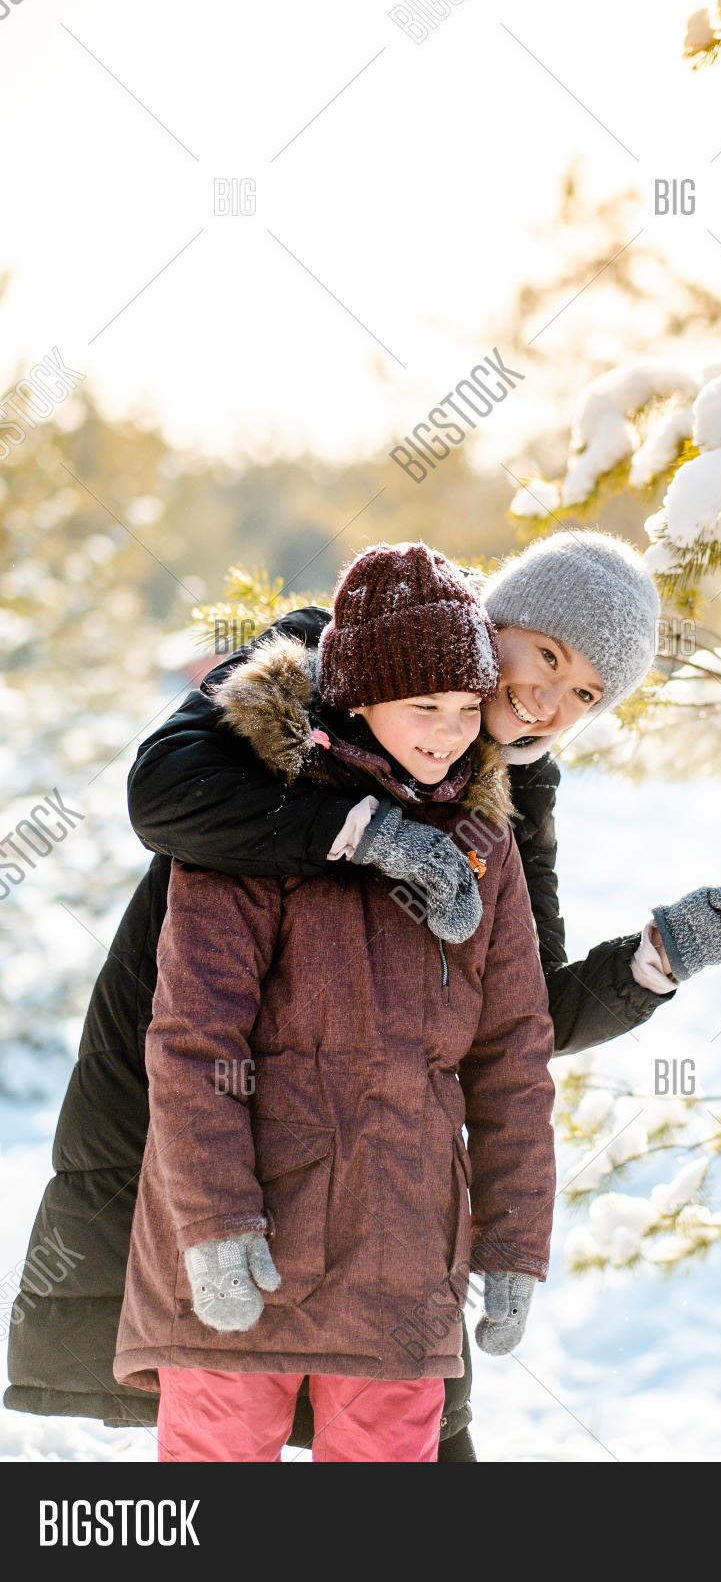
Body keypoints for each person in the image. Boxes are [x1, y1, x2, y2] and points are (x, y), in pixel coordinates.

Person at [5, 530, 721, 1460]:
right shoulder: (321, 656)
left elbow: (514, 1013)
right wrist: (368, 833)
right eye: (543, 655)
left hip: (380, 1193)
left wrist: (654, 962)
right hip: (191, 1099)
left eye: (584, 694)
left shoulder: (510, 794)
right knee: (218, 1404)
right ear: (487, 617)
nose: (546, 701)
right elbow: (164, 793)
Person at [113, 542, 557, 1462]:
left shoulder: (483, 847)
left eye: (468, 707)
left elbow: (513, 1056)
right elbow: (194, 1042)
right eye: (422, 706)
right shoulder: (260, 825)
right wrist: (211, 1221)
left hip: (399, 1260)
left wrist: (516, 1240)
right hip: (243, 1249)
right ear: (356, 699)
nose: (446, 732)